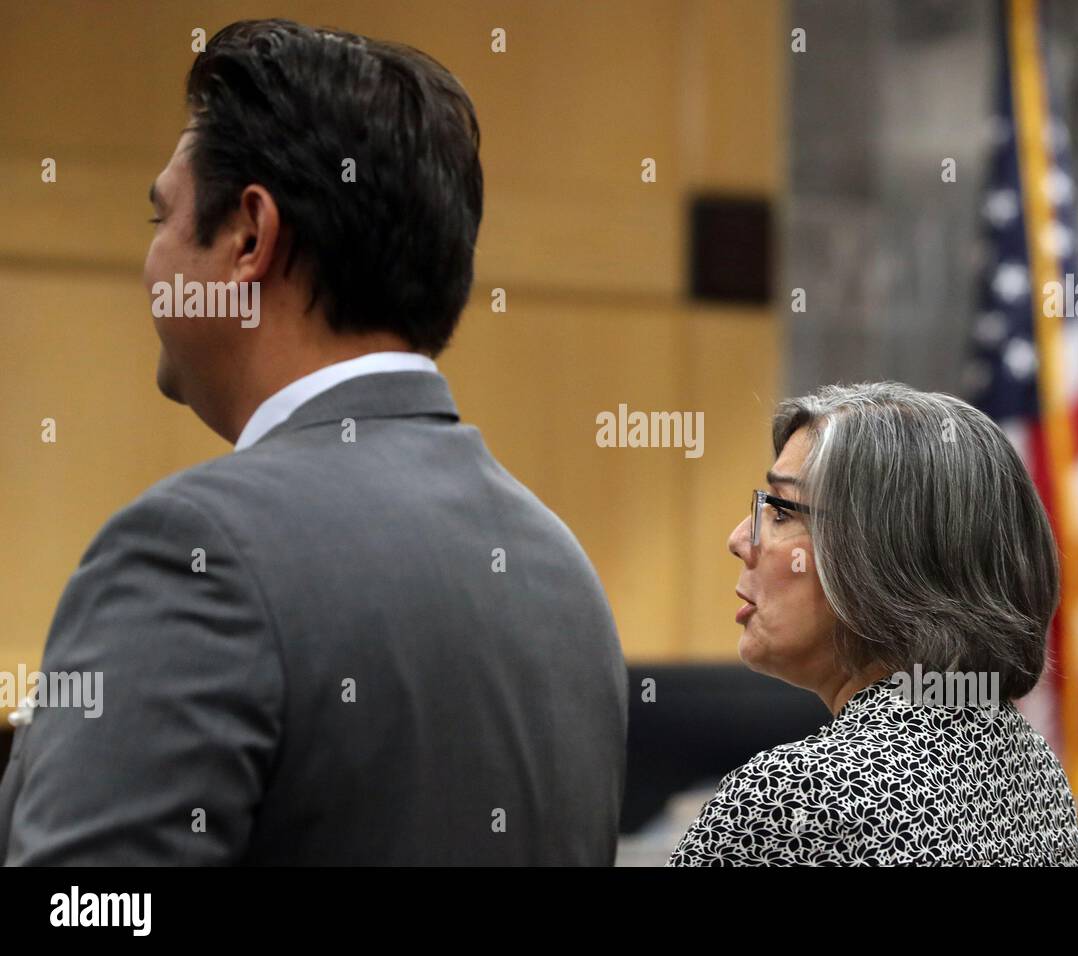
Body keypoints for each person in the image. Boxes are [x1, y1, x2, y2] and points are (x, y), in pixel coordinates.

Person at [0, 19, 626, 865]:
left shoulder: (193, 552)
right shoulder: (560, 572)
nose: (147, 263)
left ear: (249, 236)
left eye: (161, 216)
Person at [667, 382, 1078, 865]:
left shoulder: (797, 798)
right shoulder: (1033, 769)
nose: (739, 539)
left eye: (781, 511)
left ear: (880, 556)